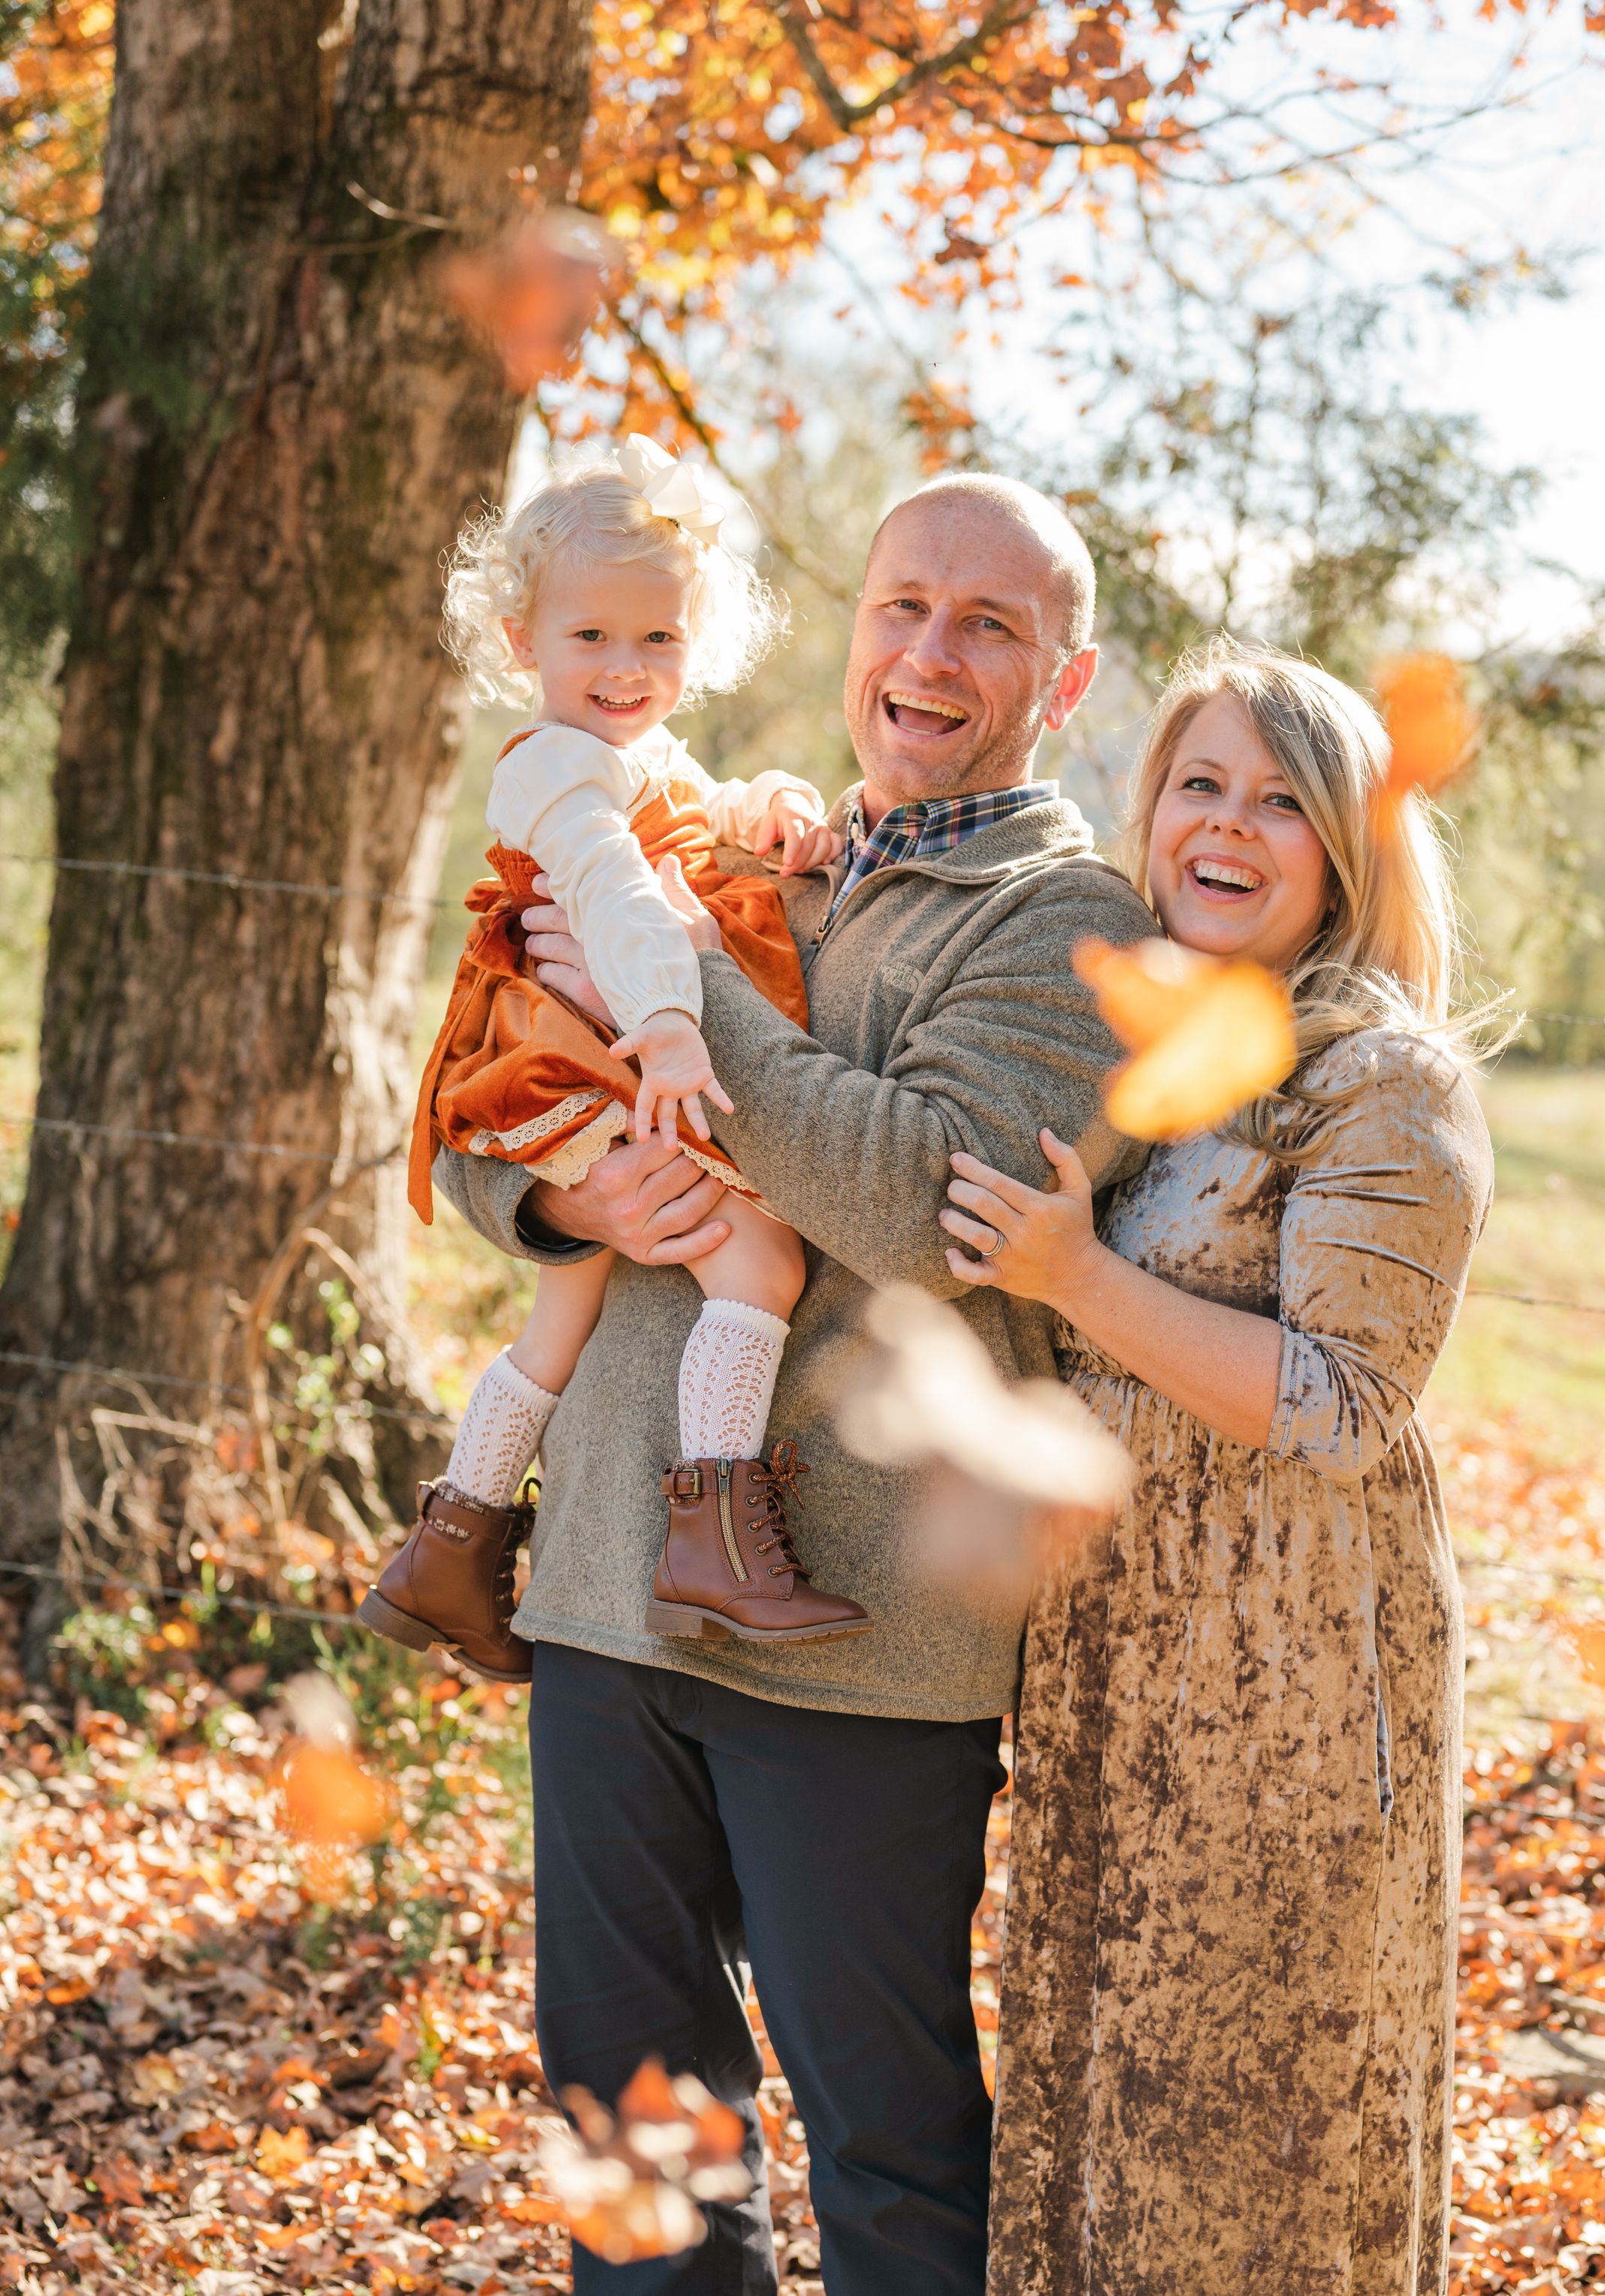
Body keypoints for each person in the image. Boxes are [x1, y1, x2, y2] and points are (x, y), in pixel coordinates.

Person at [433, 473, 1158, 2294]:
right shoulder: (727, 832)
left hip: (865, 1630)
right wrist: (560, 1199)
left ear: (1063, 682)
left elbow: (926, 1203)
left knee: (886, 2134)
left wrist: (685, 992)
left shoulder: (1068, 923)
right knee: (633, 2121)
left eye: (987, 625)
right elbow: (484, 1090)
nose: (928, 652)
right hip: (607, 1582)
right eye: (901, 604)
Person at [939, 636, 1496, 2296]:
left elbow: (1344, 1399)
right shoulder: (1142, 1061)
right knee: (1100, 2114)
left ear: (1345, 852)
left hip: (1289, 1685)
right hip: (1113, 1664)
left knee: (1251, 2139)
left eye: (1279, 800)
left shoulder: (1378, 1075)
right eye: (1199, 785)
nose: (1227, 826)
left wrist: (1075, 1278)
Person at [369, 438, 866, 1683]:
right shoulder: (555, 766)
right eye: (590, 636)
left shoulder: (630, 754)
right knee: (762, 1258)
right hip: (589, 1049)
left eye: (658, 638)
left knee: (564, 1312)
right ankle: (714, 1541)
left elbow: (693, 811)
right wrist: (674, 1018)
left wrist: (769, 803)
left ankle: (450, 1551)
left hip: (579, 1049)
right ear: (521, 638)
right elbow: (616, 889)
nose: (626, 665)